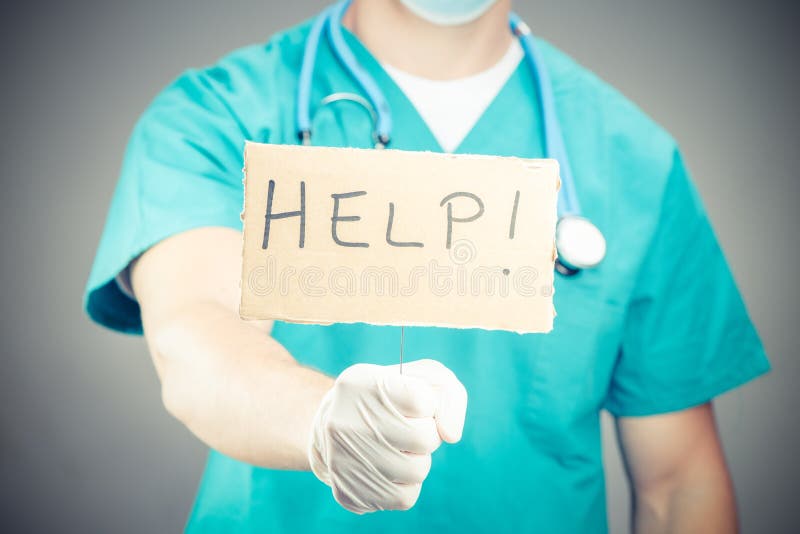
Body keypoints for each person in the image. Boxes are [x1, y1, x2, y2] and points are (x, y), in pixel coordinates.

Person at [84, 0, 769, 532]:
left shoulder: (633, 160)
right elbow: (198, 339)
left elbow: (678, 486)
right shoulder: (217, 114)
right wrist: (321, 421)